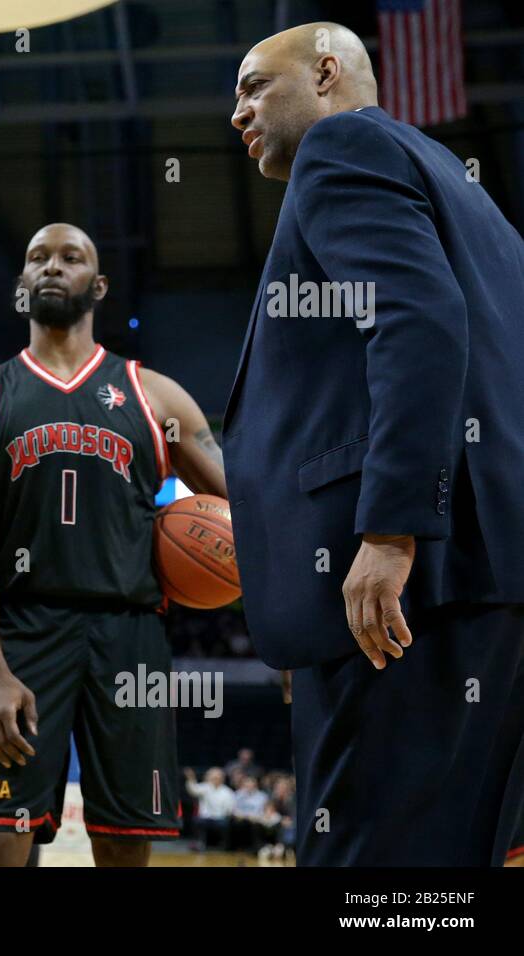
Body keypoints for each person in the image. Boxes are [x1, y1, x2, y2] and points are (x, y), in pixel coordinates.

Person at [226, 21, 524, 866]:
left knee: (370, 871)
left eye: (254, 86)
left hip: (414, 594)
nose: (237, 111)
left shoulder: (343, 148)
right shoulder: (476, 202)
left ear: (327, 74)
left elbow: (419, 319)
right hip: (487, 578)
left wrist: (391, 530)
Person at [0, 223, 227, 868]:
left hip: (130, 637)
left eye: (70, 258)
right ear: (21, 283)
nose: (52, 267)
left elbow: (242, 510)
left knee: (124, 849)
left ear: (97, 285)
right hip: (24, 635)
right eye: (37, 258)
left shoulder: (154, 395)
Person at [184, 767, 235, 851]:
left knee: (226, 824)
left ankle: (224, 845)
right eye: (213, 777)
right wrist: (191, 778)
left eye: (217, 778)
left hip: (220, 818)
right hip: (205, 818)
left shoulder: (227, 791)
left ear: (222, 779)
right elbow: (193, 790)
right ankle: (199, 843)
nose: (215, 780)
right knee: (197, 821)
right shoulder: (205, 787)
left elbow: (229, 809)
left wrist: (226, 815)